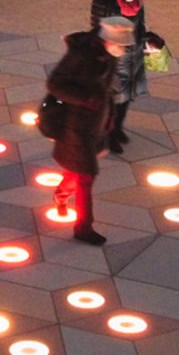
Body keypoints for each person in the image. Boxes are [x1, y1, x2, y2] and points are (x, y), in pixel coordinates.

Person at [44, 16, 134, 245]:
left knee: (77, 169)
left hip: (96, 121)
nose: (122, 48)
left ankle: (61, 195)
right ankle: (83, 228)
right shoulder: (81, 54)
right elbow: (54, 84)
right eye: (120, 43)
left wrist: (110, 115)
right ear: (107, 39)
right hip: (75, 124)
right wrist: (84, 99)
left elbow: (107, 87)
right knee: (86, 175)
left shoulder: (109, 54)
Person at [89, 0, 162, 155]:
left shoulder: (137, 0)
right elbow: (96, 26)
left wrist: (147, 41)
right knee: (113, 98)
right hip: (112, 55)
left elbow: (141, 24)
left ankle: (118, 129)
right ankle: (109, 135)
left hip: (133, 54)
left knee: (127, 96)